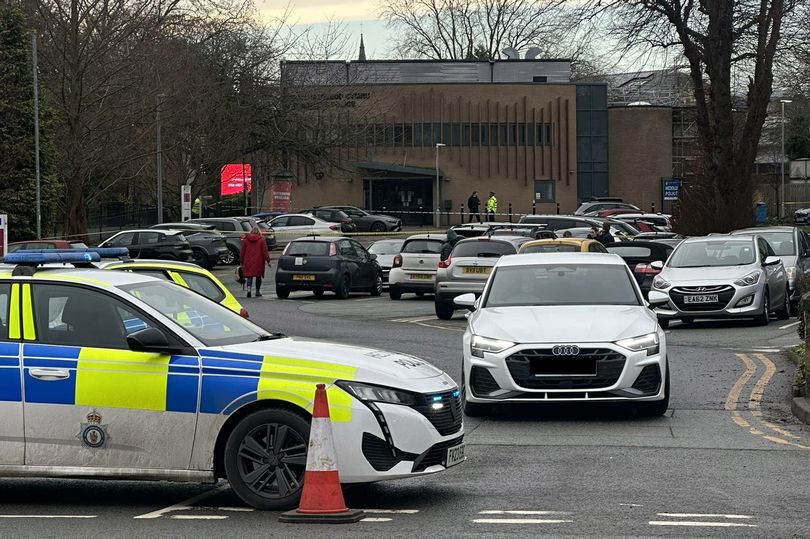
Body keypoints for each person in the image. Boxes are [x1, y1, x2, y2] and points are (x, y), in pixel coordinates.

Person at [239, 227, 270, 297]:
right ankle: (257, 291)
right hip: (259, 261)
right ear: (259, 232)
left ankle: (249, 290)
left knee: (249, 276)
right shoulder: (261, 240)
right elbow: (265, 251)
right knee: (258, 276)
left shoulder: (246, 240)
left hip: (248, 261)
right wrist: (268, 260)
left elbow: (242, 252)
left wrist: (241, 261)